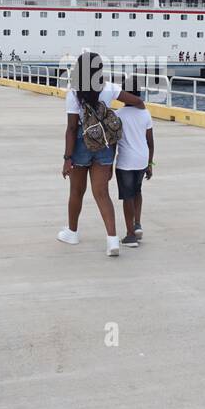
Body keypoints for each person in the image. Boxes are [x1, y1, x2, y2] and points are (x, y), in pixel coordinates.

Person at [59, 52, 144, 257]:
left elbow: (71, 129)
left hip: (81, 144)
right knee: (102, 194)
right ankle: (112, 240)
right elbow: (137, 102)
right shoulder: (109, 88)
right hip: (104, 145)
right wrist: (137, 110)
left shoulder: (74, 93)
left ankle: (72, 233)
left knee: (77, 192)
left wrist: (67, 158)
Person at [113, 76, 154, 248]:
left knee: (127, 197)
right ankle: (137, 223)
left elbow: (113, 143)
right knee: (137, 191)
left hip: (126, 162)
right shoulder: (145, 113)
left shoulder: (118, 115)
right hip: (142, 159)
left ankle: (130, 235)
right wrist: (150, 164)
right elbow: (150, 142)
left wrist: (108, 166)